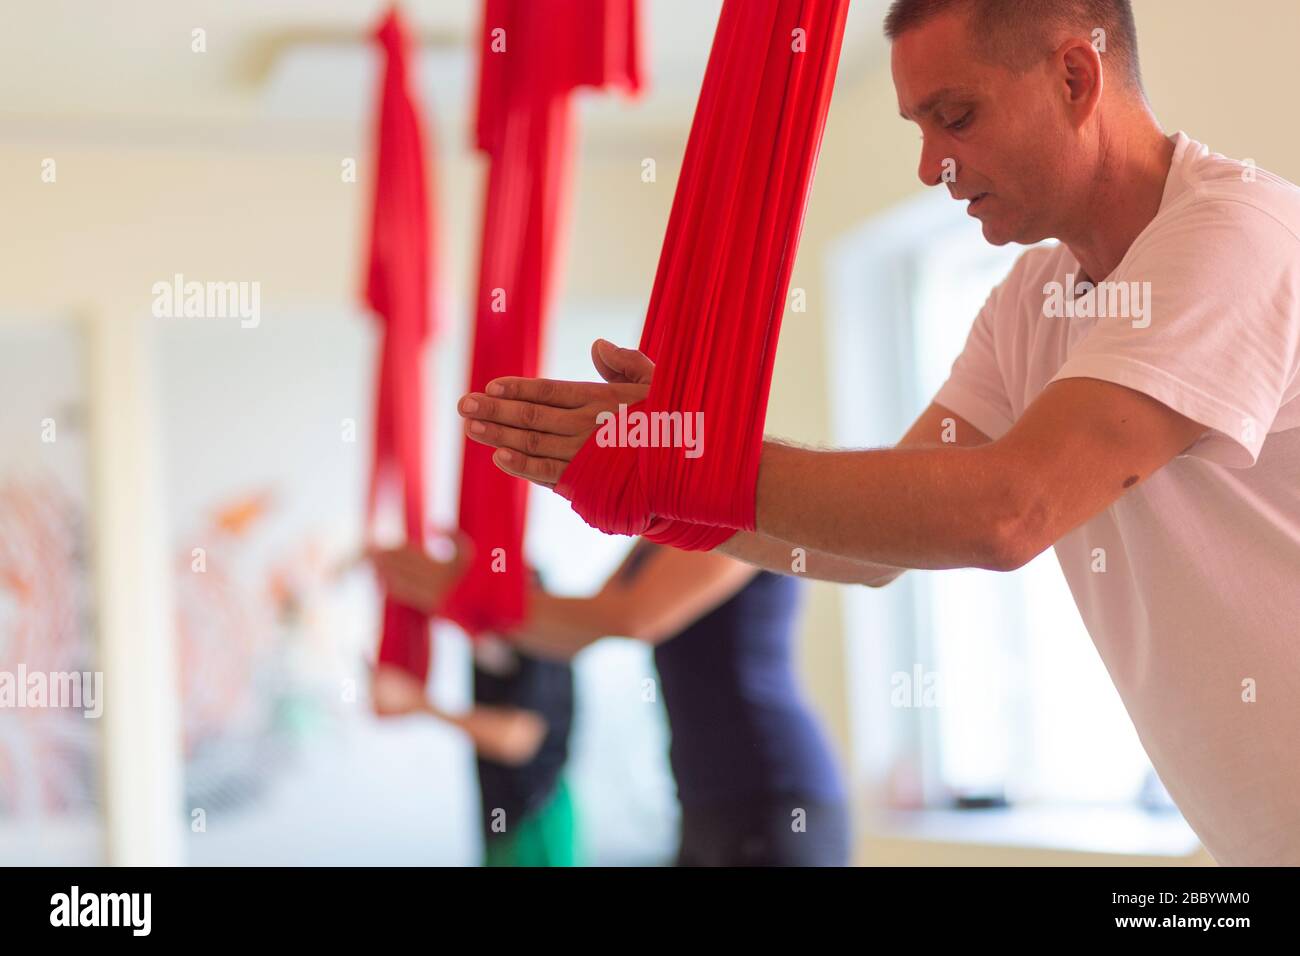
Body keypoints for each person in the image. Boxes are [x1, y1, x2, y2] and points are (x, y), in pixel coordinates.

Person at [454, 0, 1300, 865]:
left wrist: (688, 463)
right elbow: (869, 551)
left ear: (1076, 77)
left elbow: (1010, 510)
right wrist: (649, 472)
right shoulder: (1028, 306)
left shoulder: (1234, 237)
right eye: (920, 128)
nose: (932, 163)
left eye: (955, 117)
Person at [372, 538, 850, 866]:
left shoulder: (743, 510)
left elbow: (629, 618)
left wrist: (466, 593)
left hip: (776, 796)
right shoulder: (662, 528)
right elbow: (576, 630)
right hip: (703, 804)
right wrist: (469, 592)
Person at [370, 552, 580, 867]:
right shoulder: (495, 622)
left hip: (534, 819)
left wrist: (417, 703)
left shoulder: (536, 623)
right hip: (506, 818)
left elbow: (517, 737)